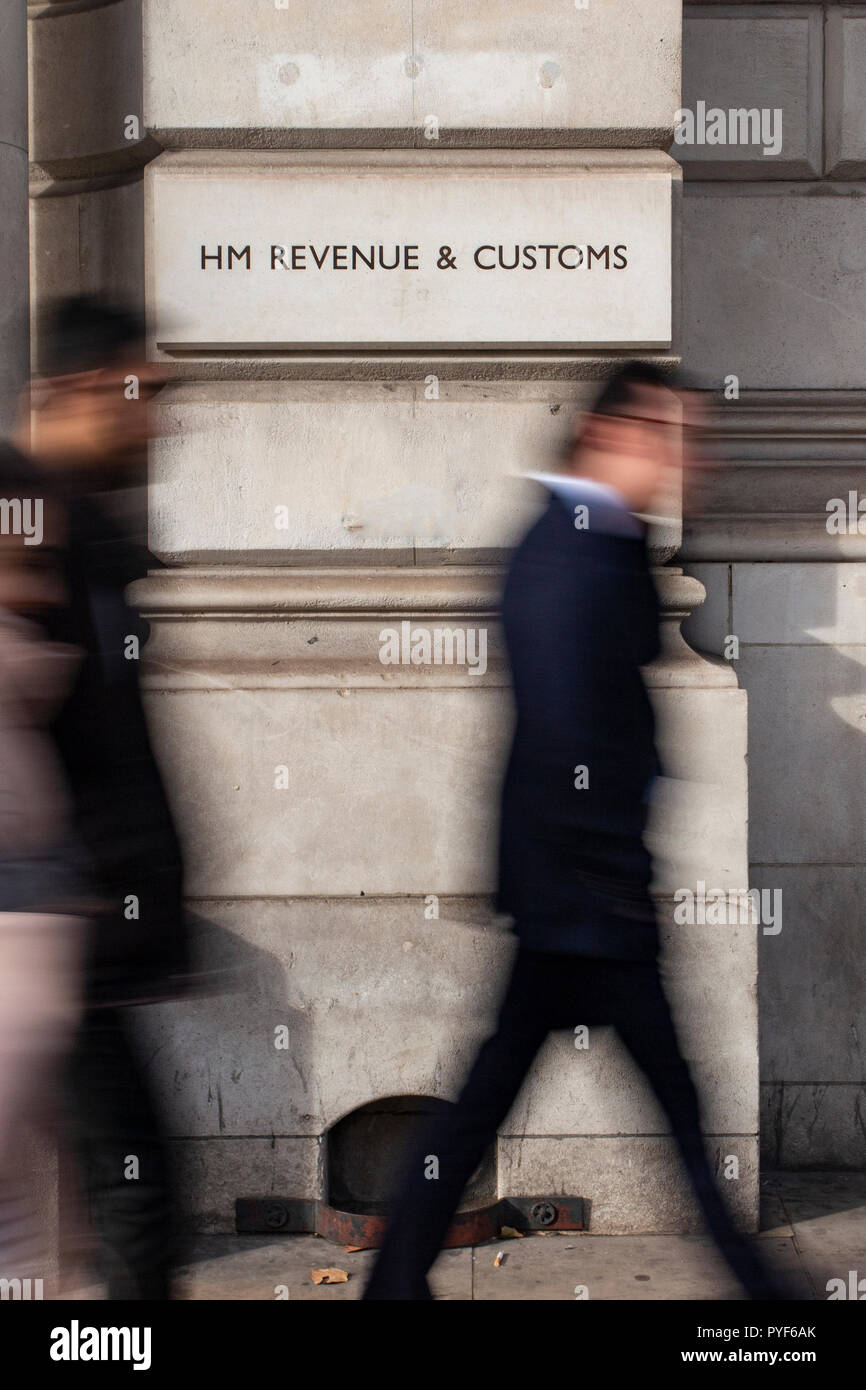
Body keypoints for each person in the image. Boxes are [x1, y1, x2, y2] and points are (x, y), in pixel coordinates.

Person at [363, 362, 790, 1301]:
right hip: (584, 893)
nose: (686, 457)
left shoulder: (598, 540)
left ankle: (395, 1282)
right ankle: (764, 1300)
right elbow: (565, 731)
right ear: (608, 435)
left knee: (506, 1099)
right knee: (667, 1108)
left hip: (575, 890)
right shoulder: (569, 550)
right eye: (666, 436)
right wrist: (606, 878)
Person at [0, 295, 185, 1298]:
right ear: (72, 392)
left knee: (71, 1221)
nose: (156, 420)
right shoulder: (23, 517)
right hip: (44, 927)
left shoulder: (90, 535)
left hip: (71, 931)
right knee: (131, 1201)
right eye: (139, 395)